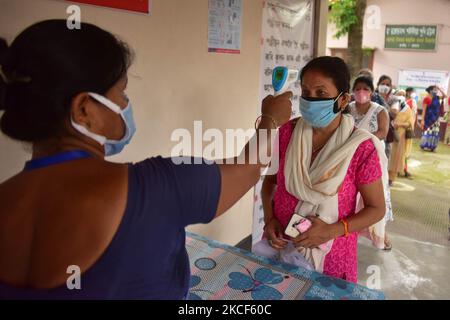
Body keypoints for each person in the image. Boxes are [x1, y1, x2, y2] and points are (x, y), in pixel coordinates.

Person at [0, 20, 293, 299]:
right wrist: (271, 118)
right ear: (84, 109)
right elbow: (251, 167)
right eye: (121, 93)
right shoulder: (157, 187)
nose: (125, 105)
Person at [255, 57, 386, 283]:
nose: (310, 99)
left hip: (332, 255)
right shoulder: (287, 132)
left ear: (343, 99)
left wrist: (332, 230)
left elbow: (376, 209)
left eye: (321, 93)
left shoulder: (361, 148)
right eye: (305, 91)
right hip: (282, 245)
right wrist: (270, 218)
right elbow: (269, 182)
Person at [348, 75, 393, 250]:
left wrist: (363, 141)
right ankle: (355, 226)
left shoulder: (379, 110)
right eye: (357, 89)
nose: (361, 92)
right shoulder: (347, 109)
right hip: (350, 155)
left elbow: (383, 132)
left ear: (372, 92)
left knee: (376, 193)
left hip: (373, 155)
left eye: (365, 89)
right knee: (352, 192)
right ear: (353, 92)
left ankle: (380, 232)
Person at [388, 96, 414, 185]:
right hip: (389, 134)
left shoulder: (408, 110)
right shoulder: (392, 105)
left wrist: (399, 124)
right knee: (388, 156)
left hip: (400, 136)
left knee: (396, 158)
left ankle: (391, 178)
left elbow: (409, 123)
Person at [420, 85, 446, 152]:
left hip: (436, 118)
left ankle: (432, 147)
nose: (436, 91)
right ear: (430, 90)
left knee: (435, 132)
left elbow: (445, 96)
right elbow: (424, 110)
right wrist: (422, 120)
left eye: (436, 90)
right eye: (434, 89)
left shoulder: (436, 97)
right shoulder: (426, 98)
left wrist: (440, 89)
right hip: (428, 118)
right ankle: (425, 145)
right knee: (427, 131)